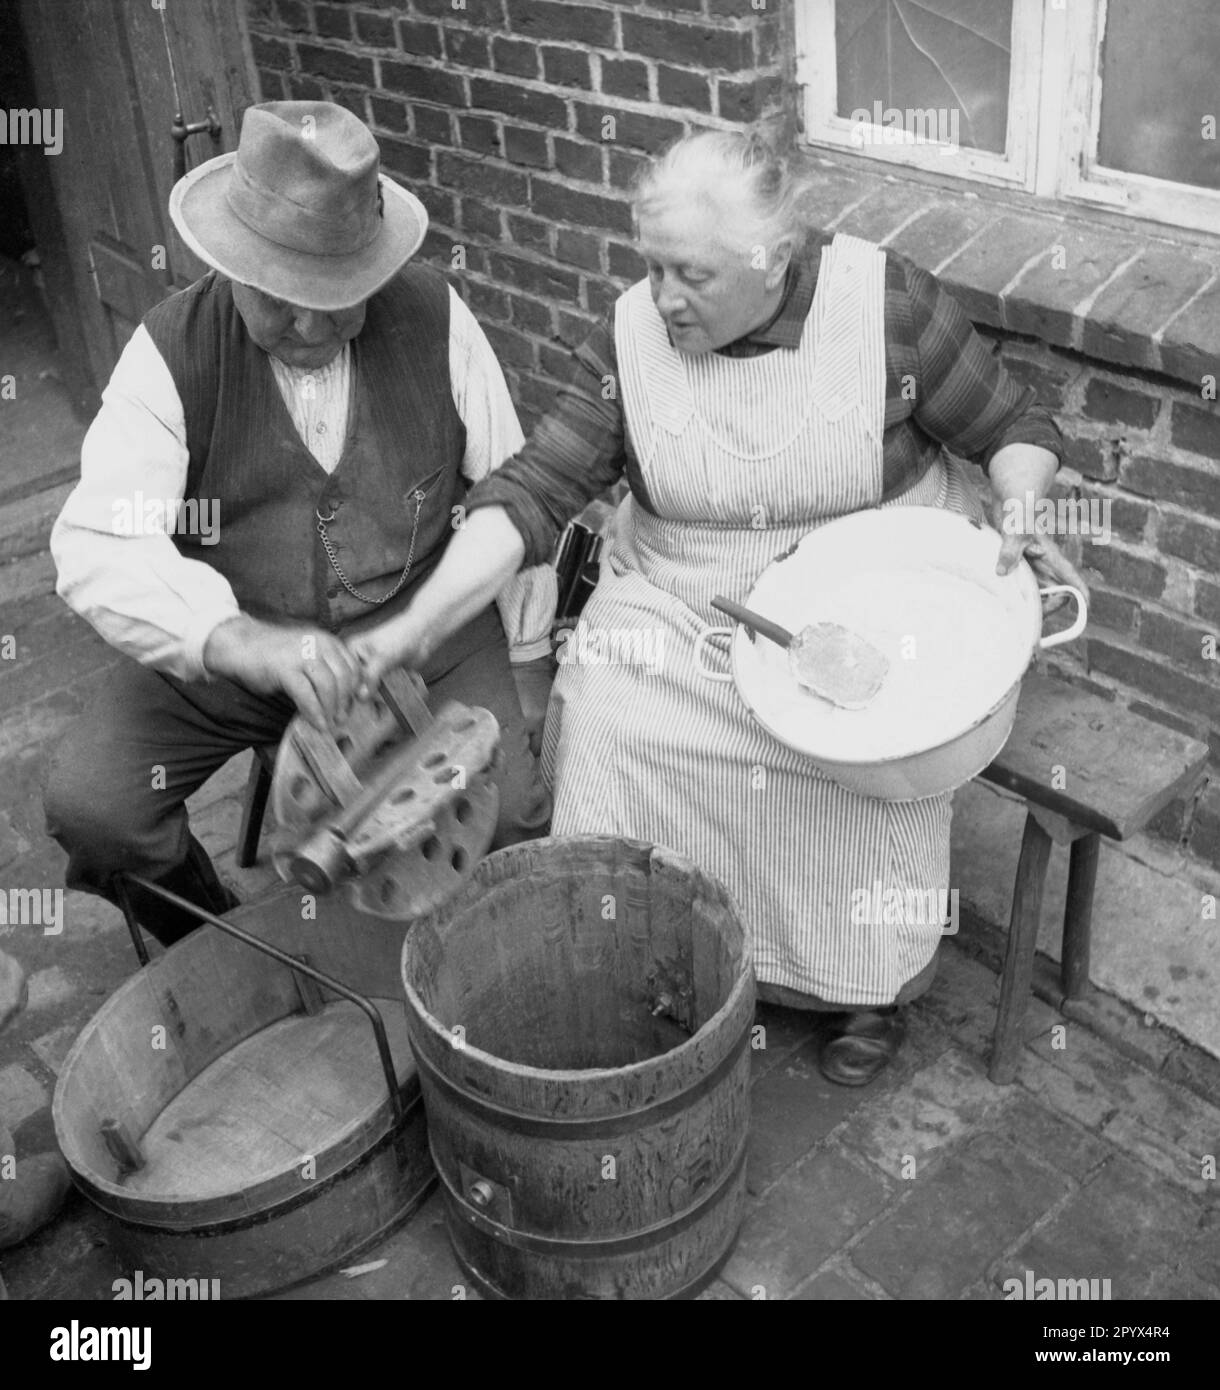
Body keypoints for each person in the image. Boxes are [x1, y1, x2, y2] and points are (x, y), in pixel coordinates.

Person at [352, 128, 1089, 1087]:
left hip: (864, 591)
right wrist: (414, 626)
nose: (663, 299)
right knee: (609, 716)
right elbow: (536, 488)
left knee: (866, 751)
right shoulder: (629, 336)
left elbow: (1012, 425)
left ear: (772, 257)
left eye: (690, 275)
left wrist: (1020, 502)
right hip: (686, 596)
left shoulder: (885, 306)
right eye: (652, 268)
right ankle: (651, 957)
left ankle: (854, 984)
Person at [44, 101, 554, 944]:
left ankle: (468, 990)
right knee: (96, 807)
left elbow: (513, 490)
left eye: (337, 297)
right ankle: (224, 953)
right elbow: (95, 542)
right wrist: (240, 641)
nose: (311, 324)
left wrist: (530, 664)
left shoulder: (435, 315)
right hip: (239, 644)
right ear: (232, 262)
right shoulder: (170, 352)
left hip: (422, 635)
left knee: (509, 821)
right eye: (282, 298)